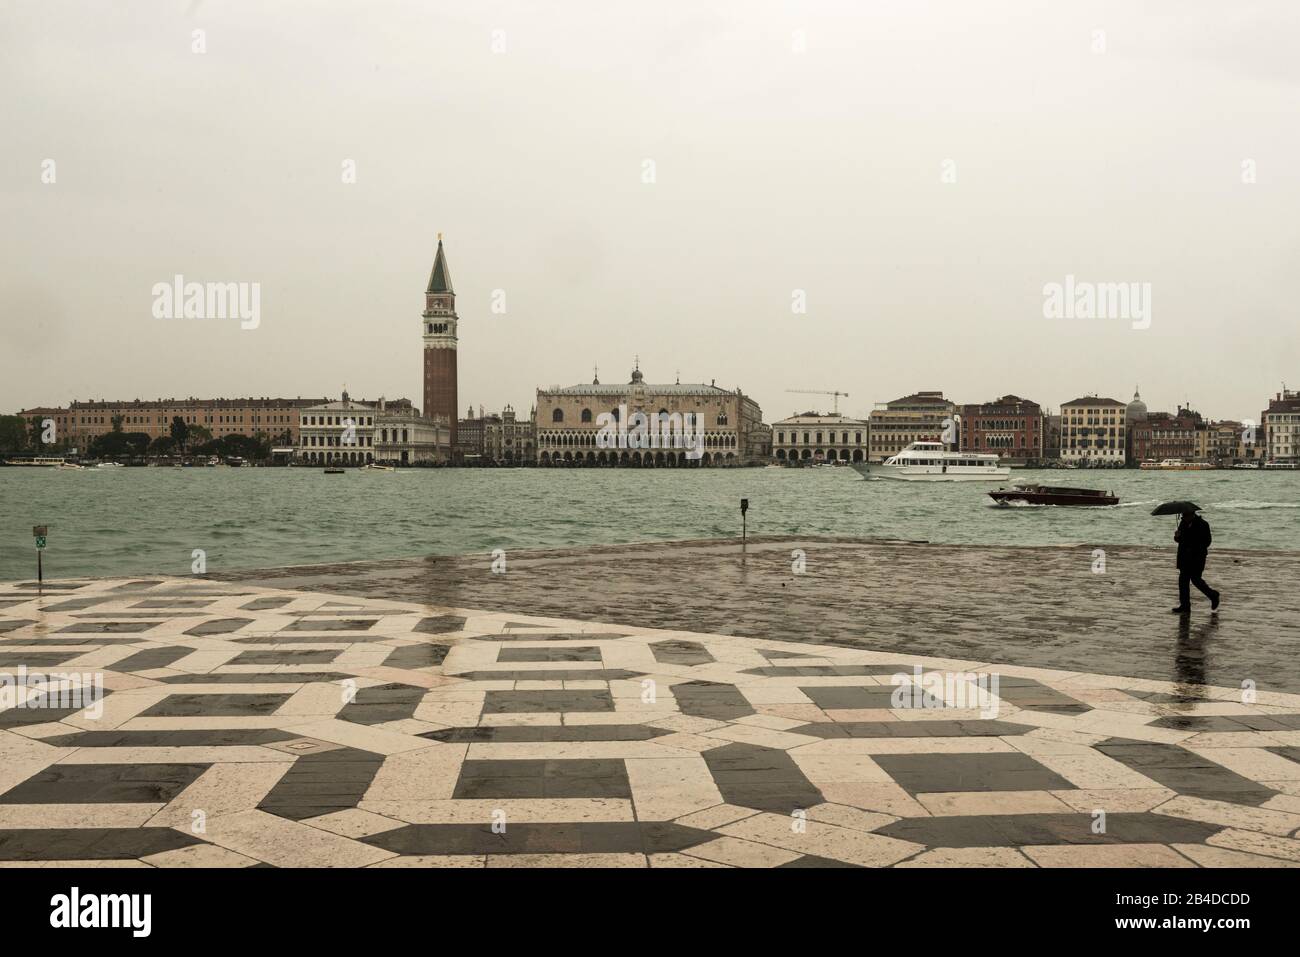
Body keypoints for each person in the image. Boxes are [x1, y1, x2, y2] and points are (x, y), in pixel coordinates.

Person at [1172, 508, 1220, 614]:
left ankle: (1213, 595)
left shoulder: (1203, 524)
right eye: (1182, 516)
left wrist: (1192, 545)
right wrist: (1177, 537)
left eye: (1185, 516)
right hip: (1184, 557)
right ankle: (1185, 606)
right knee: (1183, 582)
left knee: (1196, 579)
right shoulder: (1183, 523)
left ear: (1192, 515)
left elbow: (1207, 542)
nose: (1183, 518)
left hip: (1197, 558)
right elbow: (1180, 540)